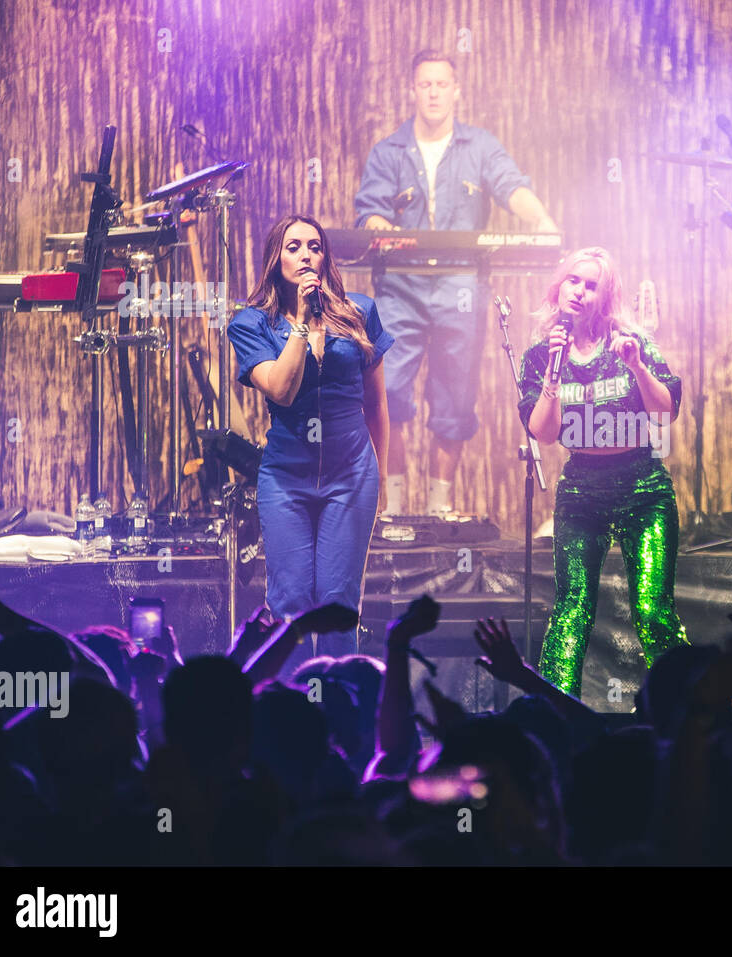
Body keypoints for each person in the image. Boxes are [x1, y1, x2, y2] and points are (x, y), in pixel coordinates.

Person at [354, 49, 558, 518]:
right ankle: (395, 510)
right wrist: (378, 222)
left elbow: (511, 186)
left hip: (461, 285)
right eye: (424, 84)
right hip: (400, 284)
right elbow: (369, 210)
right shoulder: (389, 150)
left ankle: (439, 509)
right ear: (413, 89)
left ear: (456, 90)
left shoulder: (481, 147)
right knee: (389, 395)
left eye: (441, 84)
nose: (433, 92)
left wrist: (543, 220)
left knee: (454, 397)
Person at [517, 247, 687, 697]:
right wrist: (554, 372)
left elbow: (666, 412)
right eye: (574, 280)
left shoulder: (628, 341)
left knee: (652, 611)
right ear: (559, 286)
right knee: (571, 610)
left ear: (604, 297)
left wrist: (635, 364)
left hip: (642, 488)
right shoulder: (539, 356)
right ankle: (554, 713)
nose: (580, 291)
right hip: (582, 492)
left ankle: (684, 708)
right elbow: (543, 433)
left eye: (592, 286)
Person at [227, 215, 393, 661]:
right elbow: (281, 389)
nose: (306, 255)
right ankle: (294, 714)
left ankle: (342, 714)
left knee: (339, 604)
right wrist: (302, 322)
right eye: (294, 246)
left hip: (353, 473)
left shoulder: (360, 312)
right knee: (290, 604)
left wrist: (383, 479)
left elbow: (376, 405)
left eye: (315, 247)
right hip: (286, 477)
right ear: (275, 259)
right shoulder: (251, 324)